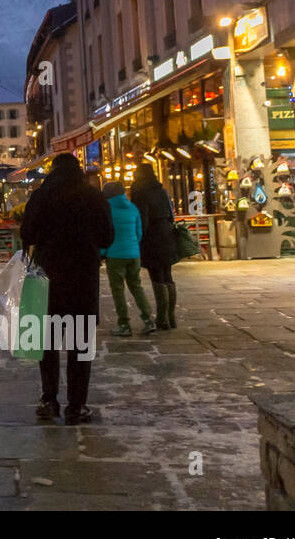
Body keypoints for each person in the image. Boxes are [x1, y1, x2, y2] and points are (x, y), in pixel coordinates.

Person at [19, 153, 113, 426]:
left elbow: (27, 234)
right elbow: (108, 236)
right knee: (79, 343)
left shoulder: (41, 196)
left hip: (48, 278)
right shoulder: (93, 196)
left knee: (48, 343)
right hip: (83, 278)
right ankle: (76, 405)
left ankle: (49, 399)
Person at [101, 181, 156, 336]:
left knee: (118, 289)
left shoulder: (107, 209)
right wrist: (133, 246)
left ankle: (123, 323)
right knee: (136, 286)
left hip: (115, 254)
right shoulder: (132, 207)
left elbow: (105, 233)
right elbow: (139, 232)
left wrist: (103, 252)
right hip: (133, 253)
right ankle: (148, 319)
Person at [132, 164, 178, 330]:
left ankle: (162, 318)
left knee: (157, 275)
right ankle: (171, 317)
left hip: (152, 235)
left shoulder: (140, 192)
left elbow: (142, 218)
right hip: (167, 232)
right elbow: (172, 214)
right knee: (167, 274)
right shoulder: (162, 190)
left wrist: (139, 238)